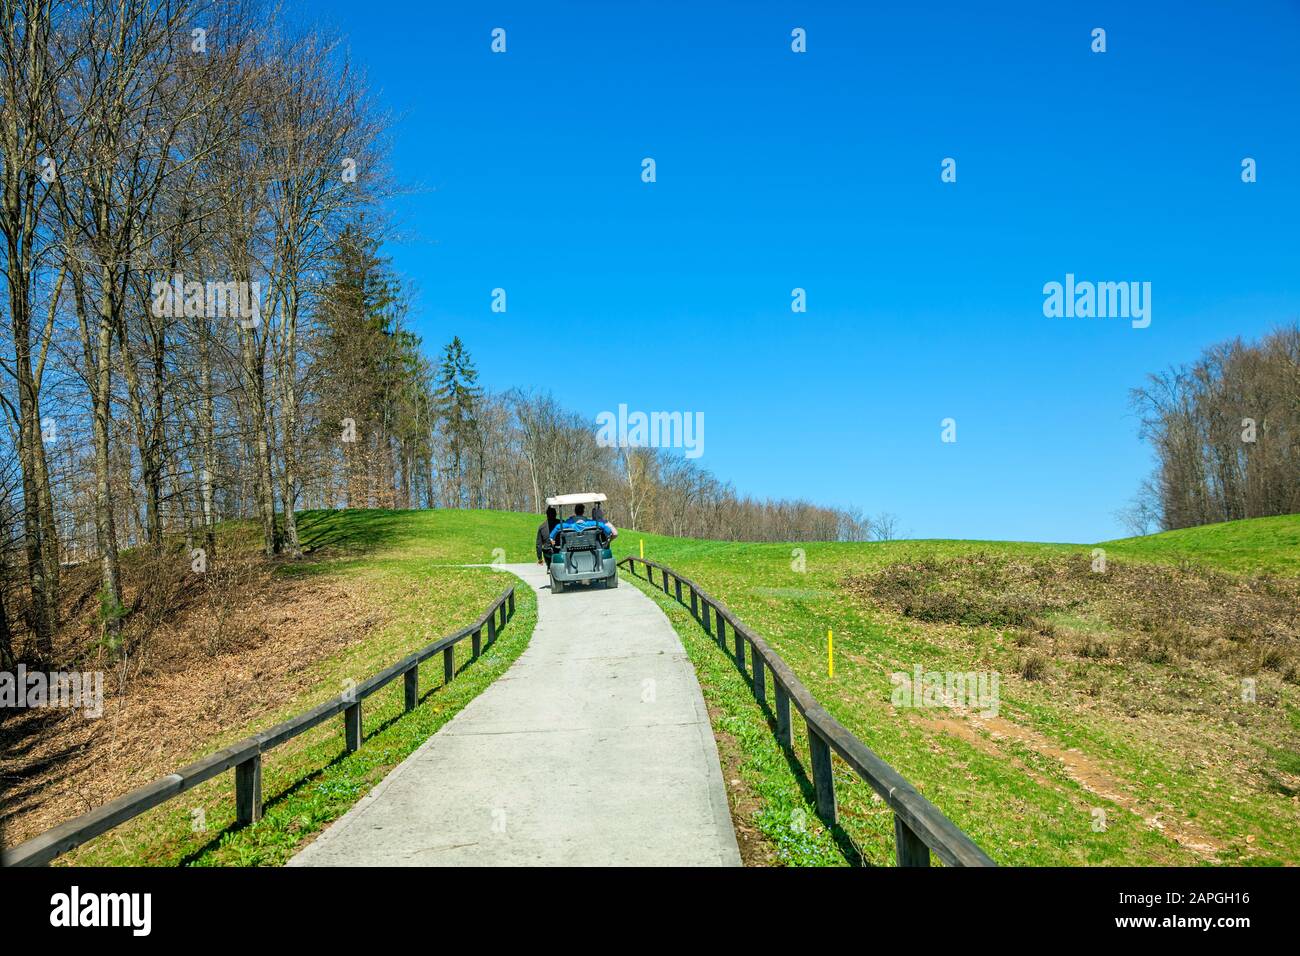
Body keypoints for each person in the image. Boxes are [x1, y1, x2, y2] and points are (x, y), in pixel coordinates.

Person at [549, 503, 615, 544]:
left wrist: (551, 538)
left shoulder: (569, 523)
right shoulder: (590, 523)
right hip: (589, 544)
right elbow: (603, 526)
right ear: (583, 511)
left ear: (575, 511)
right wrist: (609, 533)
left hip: (572, 545)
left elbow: (558, 527)